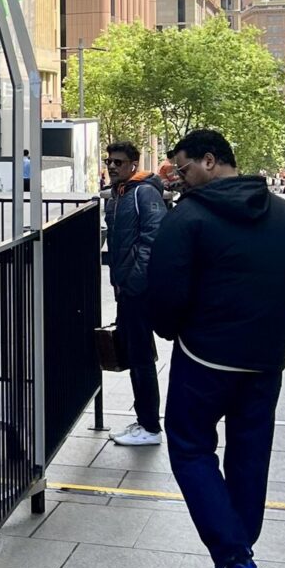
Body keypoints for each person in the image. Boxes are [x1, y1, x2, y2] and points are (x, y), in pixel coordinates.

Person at [148, 129, 285, 568]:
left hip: (205, 357)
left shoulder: (188, 218)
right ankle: (240, 551)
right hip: (266, 358)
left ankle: (233, 555)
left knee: (189, 446)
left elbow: (165, 288)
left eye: (183, 169)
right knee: (250, 451)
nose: (179, 180)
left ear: (210, 161)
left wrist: (173, 329)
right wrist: (265, 308)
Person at [103, 140, 165, 447]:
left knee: (140, 356)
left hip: (136, 290)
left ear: (132, 165)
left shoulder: (143, 193)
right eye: (109, 162)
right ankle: (144, 420)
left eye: (118, 162)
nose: (112, 166)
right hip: (126, 288)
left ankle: (150, 426)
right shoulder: (117, 195)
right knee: (134, 353)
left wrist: (134, 282)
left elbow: (153, 239)